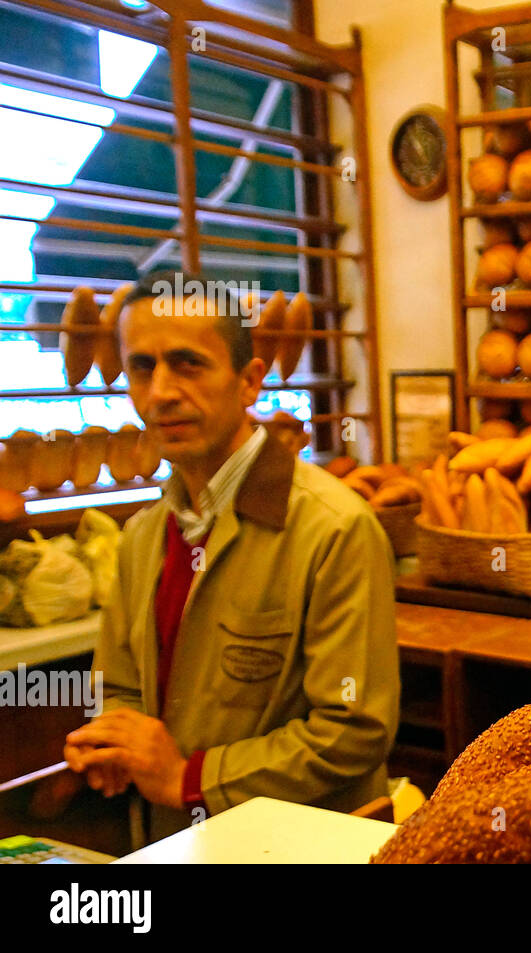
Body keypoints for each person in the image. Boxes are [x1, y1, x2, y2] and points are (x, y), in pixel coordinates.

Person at [63, 273, 399, 845]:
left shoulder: (334, 528)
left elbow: (353, 730)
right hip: (171, 844)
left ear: (250, 383)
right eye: (142, 368)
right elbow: (118, 687)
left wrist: (189, 779)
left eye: (187, 364)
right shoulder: (144, 536)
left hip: (303, 849)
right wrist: (113, 739)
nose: (161, 392)